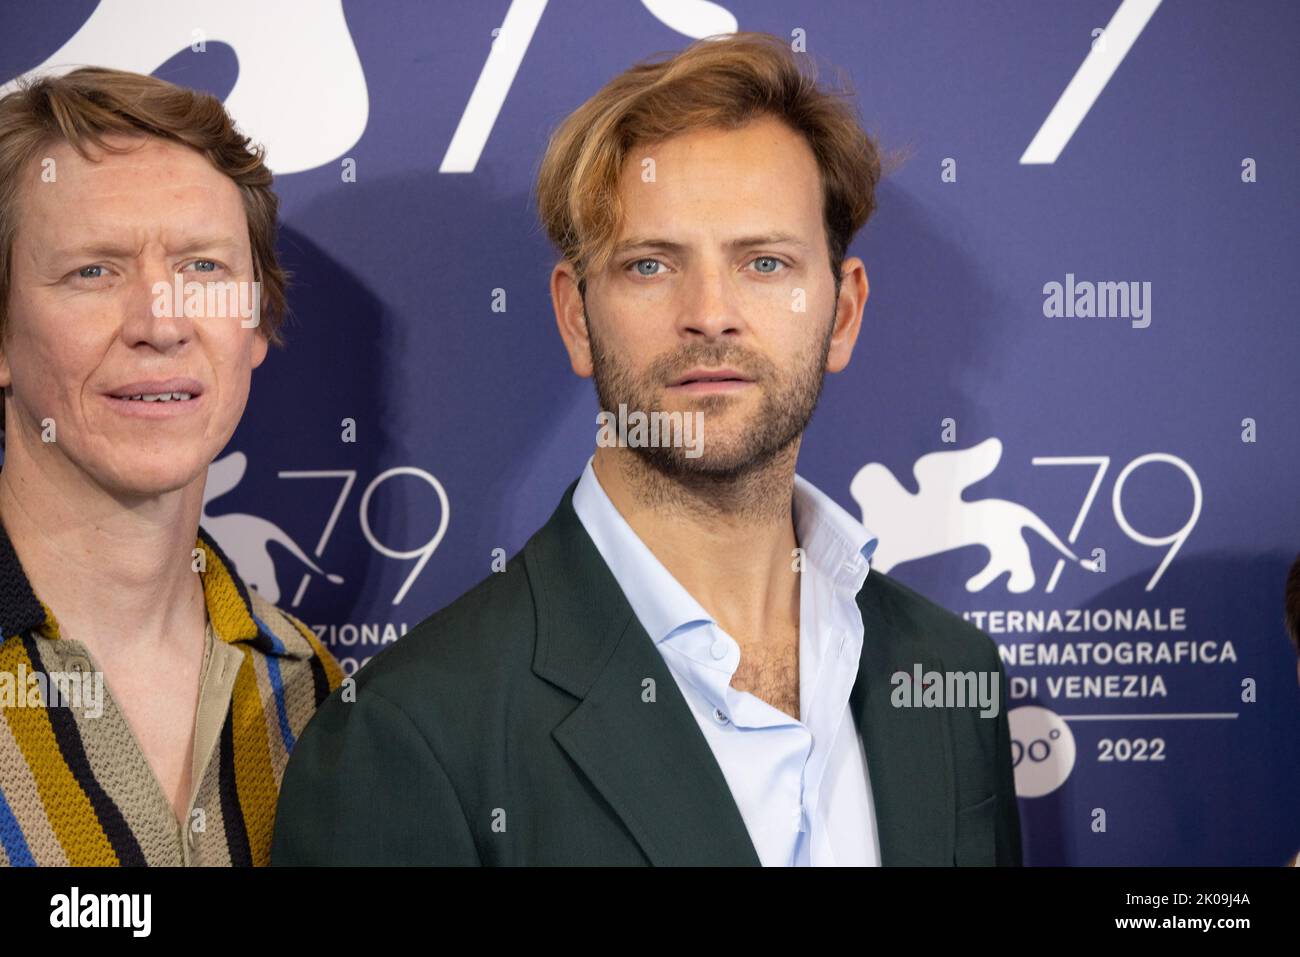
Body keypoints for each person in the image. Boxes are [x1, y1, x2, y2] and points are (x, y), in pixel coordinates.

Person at [272, 32, 1020, 866]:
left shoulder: (952, 676)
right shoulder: (411, 733)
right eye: (652, 265)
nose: (710, 312)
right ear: (574, 318)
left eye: (765, 262)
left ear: (842, 314)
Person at [0, 67, 342, 866]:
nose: (162, 323)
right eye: (94, 270)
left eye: (204, 269)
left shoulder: (312, 687)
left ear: (255, 326)